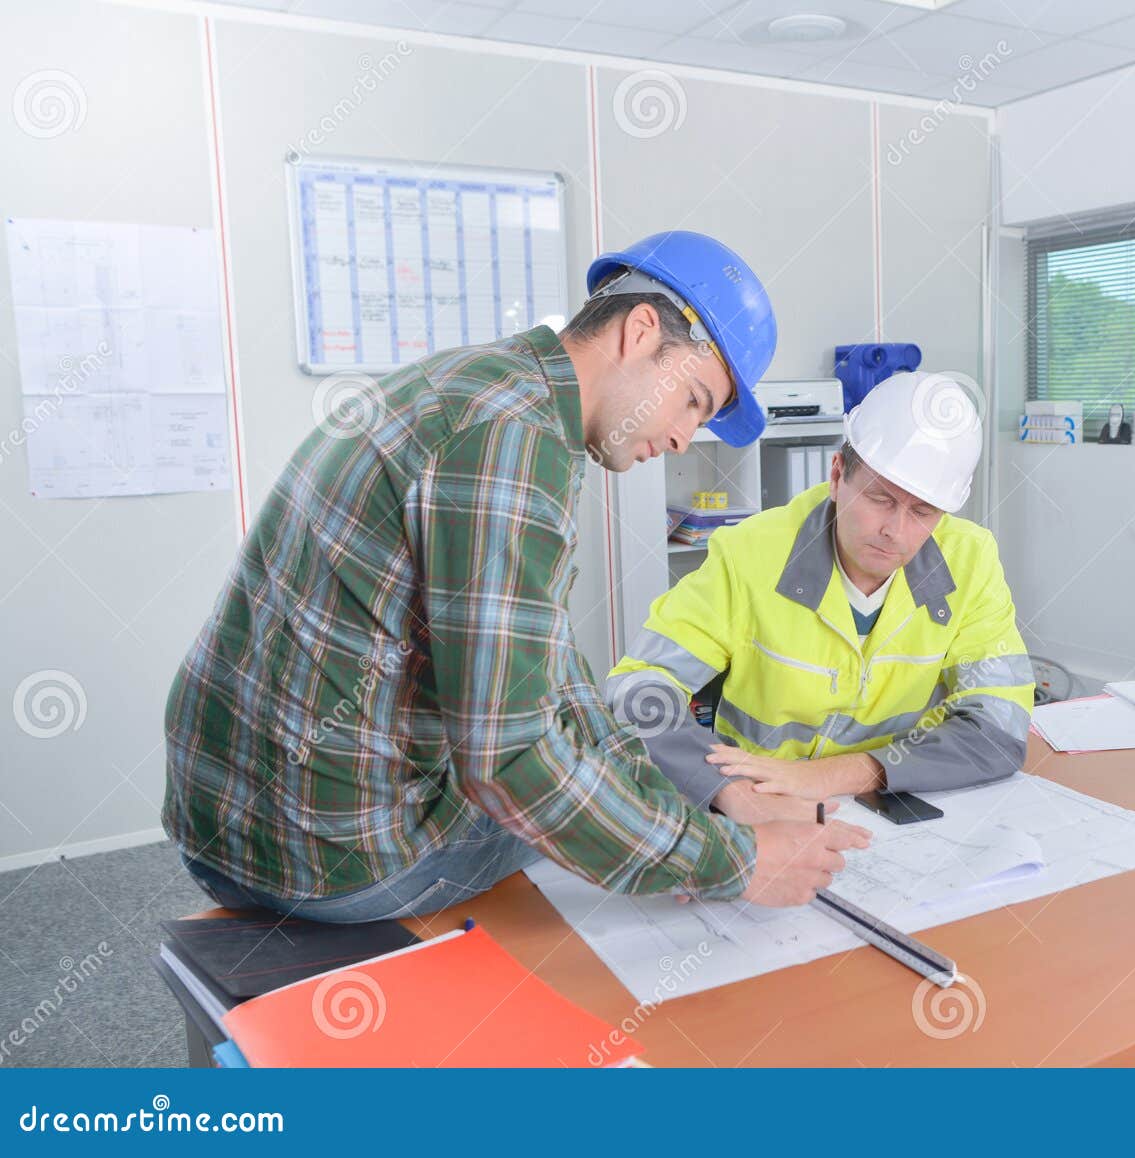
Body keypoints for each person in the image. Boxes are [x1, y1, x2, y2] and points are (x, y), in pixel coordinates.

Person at [162, 230, 870, 923]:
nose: (688, 437)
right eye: (693, 400)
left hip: (226, 811)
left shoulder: (496, 387)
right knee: (567, 819)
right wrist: (734, 861)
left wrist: (705, 793)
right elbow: (510, 761)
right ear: (641, 331)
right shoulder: (511, 443)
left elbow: (549, 672)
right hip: (320, 857)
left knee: (612, 799)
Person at [605, 370, 1034, 821]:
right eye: (880, 498)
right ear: (836, 476)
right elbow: (636, 689)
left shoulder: (972, 559)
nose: (896, 532)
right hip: (761, 806)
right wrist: (728, 792)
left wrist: (839, 774)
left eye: (923, 511)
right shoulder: (749, 553)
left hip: (894, 805)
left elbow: (999, 728)